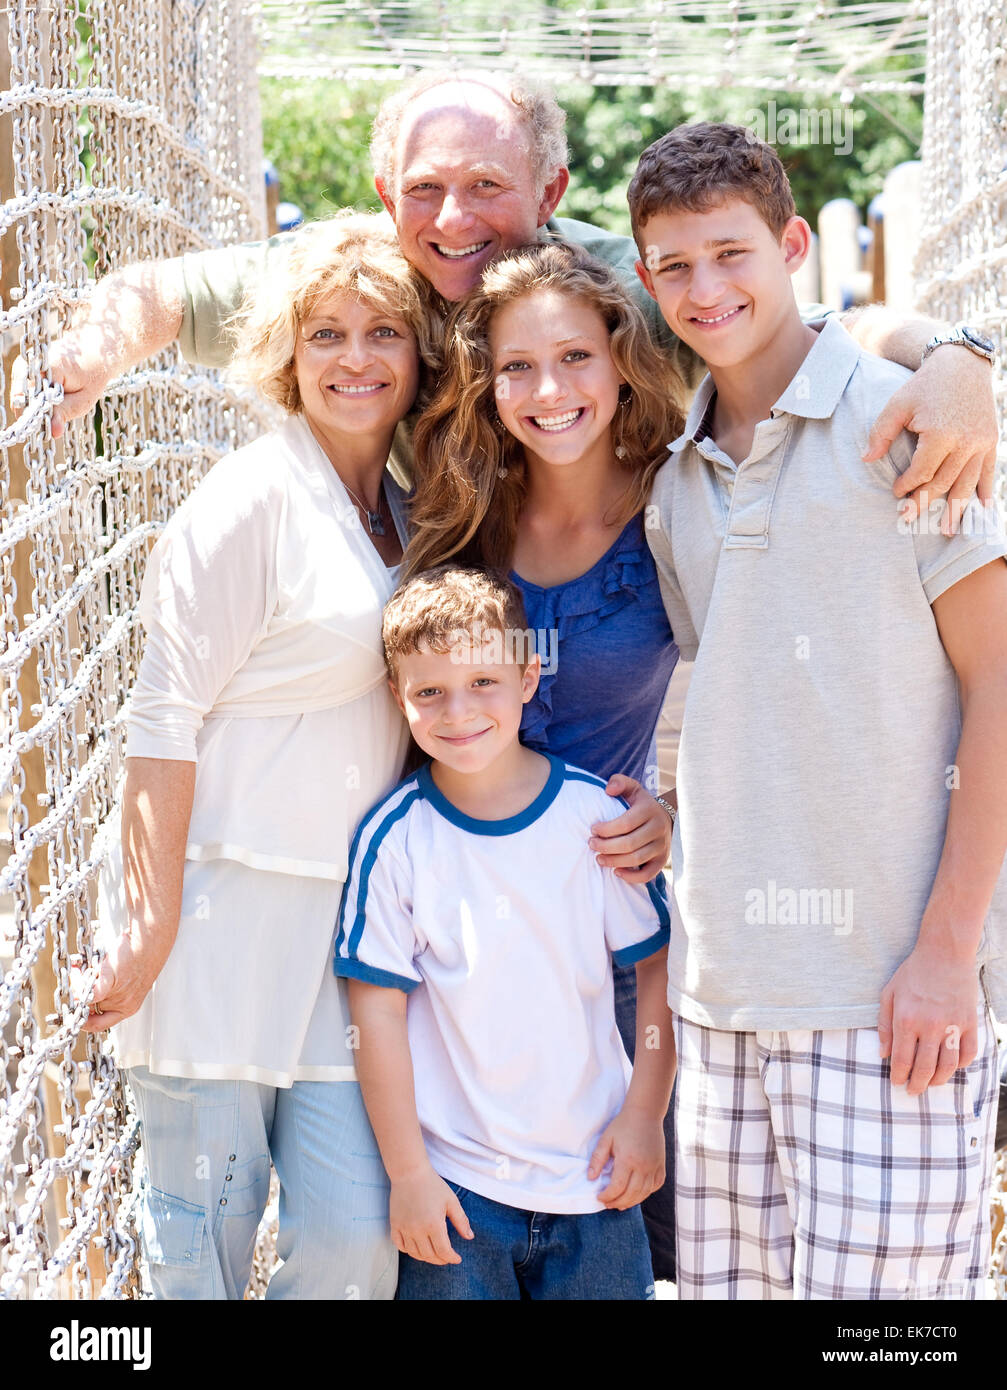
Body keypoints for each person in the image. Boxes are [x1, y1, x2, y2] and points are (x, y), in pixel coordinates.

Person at [633, 121, 1007, 1299]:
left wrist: (947, 950)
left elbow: (998, 681)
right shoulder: (671, 482)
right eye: (674, 266)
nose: (706, 288)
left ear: (791, 244)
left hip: (886, 989)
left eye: (731, 253)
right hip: (721, 993)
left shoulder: (907, 424)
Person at [85, 212, 440, 1299]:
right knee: (200, 1255)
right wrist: (147, 930)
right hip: (215, 918)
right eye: (325, 333)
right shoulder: (246, 500)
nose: (354, 358)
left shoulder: (410, 504)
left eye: (382, 332)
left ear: (420, 354)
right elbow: (163, 717)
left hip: (343, 938)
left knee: (349, 1247)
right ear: (286, 350)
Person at [405, 239, 684, 1271]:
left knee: (624, 1225)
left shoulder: (680, 501)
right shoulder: (459, 506)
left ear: (620, 358)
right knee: (467, 1236)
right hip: (458, 919)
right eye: (515, 366)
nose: (547, 390)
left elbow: (766, 691)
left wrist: (671, 816)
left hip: (603, 903)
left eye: (573, 356)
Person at [335, 565, 677, 1300]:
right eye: (429, 692)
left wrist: (645, 1114)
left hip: (594, 1180)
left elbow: (655, 975)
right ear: (399, 698)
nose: (458, 712)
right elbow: (375, 1014)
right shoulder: (394, 840)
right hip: (458, 1195)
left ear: (528, 678)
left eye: (483, 683)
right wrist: (408, 1175)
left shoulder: (592, 820)